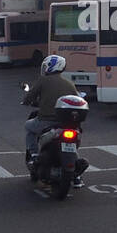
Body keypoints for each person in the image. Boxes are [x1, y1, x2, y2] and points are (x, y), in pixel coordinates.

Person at [23, 55, 81, 183]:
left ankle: (33, 154)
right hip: (66, 123)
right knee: (73, 143)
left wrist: (26, 101)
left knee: (28, 127)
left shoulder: (43, 80)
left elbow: (30, 96)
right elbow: (77, 99)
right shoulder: (69, 83)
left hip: (45, 122)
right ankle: (76, 172)